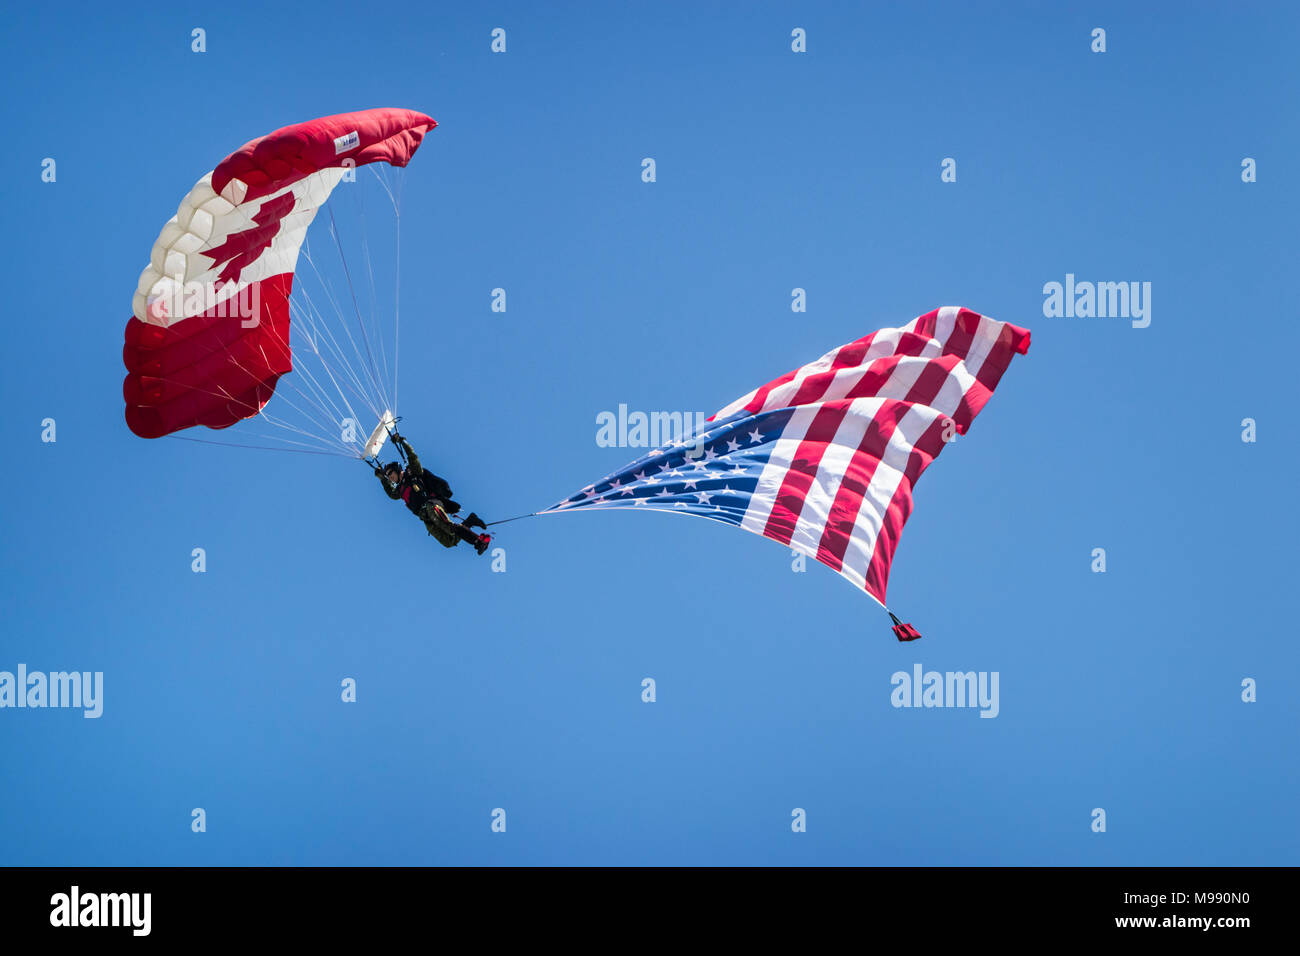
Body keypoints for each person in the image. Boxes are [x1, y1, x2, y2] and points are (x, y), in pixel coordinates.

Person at [376, 433, 491, 554]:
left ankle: (478, 541)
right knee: (449, 541)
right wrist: (382, 479)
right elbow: (391, 494)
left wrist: (402, 442)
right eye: (387, 475)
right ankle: (471, 520)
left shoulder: (412, 474)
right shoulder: (400, 490)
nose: (390, 477)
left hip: (431, 506)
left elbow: (413, 457)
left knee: (449, 527)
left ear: (398, 470)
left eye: (390, 473)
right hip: (425, 517)